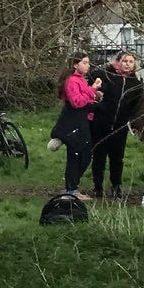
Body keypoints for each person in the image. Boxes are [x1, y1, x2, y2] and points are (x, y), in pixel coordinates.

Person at [88, 49, 141, 200]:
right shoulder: (106, 75)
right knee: (99, 156)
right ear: (118, 62)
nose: (127, 64)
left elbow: (136, 106)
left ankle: (116, 187)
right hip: (101, 122)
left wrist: (133, 121)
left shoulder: (135, 84)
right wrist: (98, 101)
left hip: (120, 126)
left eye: (131, 62)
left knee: (117, 158)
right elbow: (91, 83)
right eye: (125, 61)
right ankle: (97, 187)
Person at [51, 53, 102, 200]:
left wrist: (94, 93)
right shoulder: (72, 81)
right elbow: (77, 102)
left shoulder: (81, 80)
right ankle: (71, 189)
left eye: (88, 63)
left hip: (81, 121)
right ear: (75, 65)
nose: (88, 65)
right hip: (73, 122)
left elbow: (85, 96)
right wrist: (92, 91)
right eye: (84, 62)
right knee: (77, 155)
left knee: (84, 155)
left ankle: (72, 187)